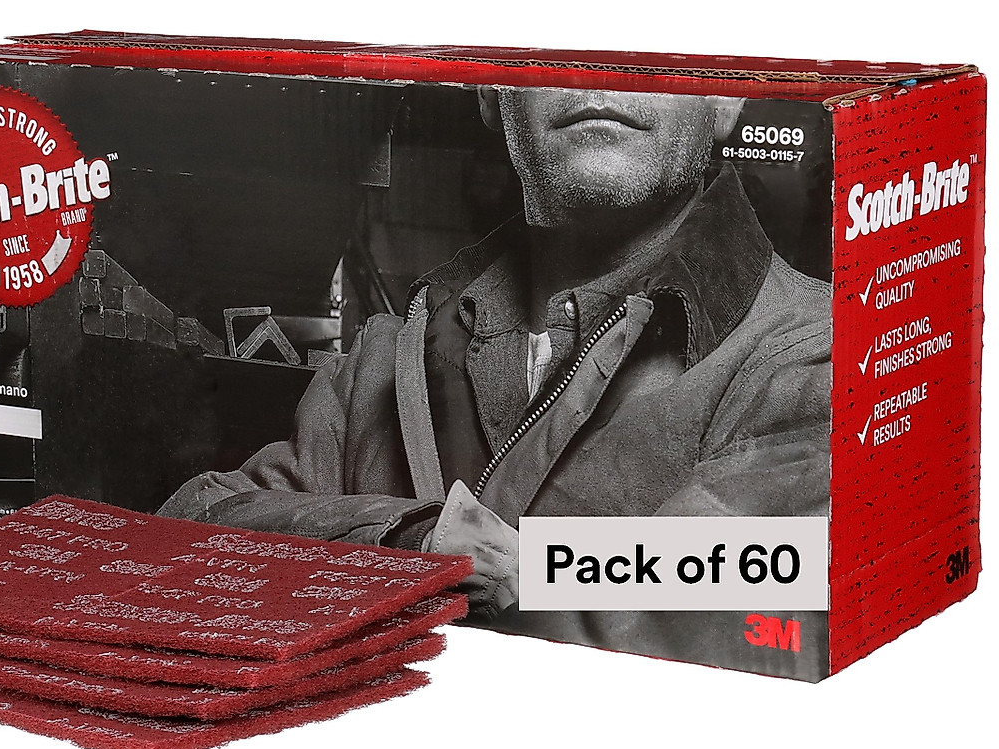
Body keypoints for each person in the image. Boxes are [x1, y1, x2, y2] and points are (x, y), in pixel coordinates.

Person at [160, 85, 831, 665]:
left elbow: (752, 603)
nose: (597, 69)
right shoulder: (391, 351)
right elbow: (185, 534)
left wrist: (519, 571)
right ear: (492, 93)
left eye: (645, 38)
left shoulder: (816, 352)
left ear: (726, 100)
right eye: (553, 36)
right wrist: (414, 540)